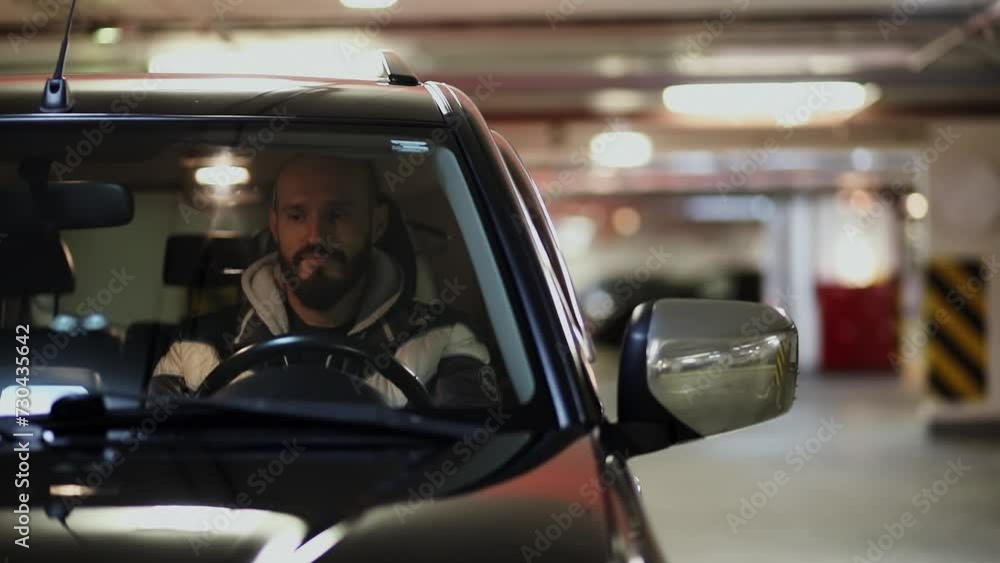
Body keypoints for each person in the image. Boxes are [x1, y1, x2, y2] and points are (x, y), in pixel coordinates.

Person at [148, 154, 499, 408]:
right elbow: (164, 471)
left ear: (376, 224)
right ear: (275, 225)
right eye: (297, 215)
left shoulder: (443, 340)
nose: (317, 236)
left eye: (338, 214)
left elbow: (467, 469)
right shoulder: (198, 348)